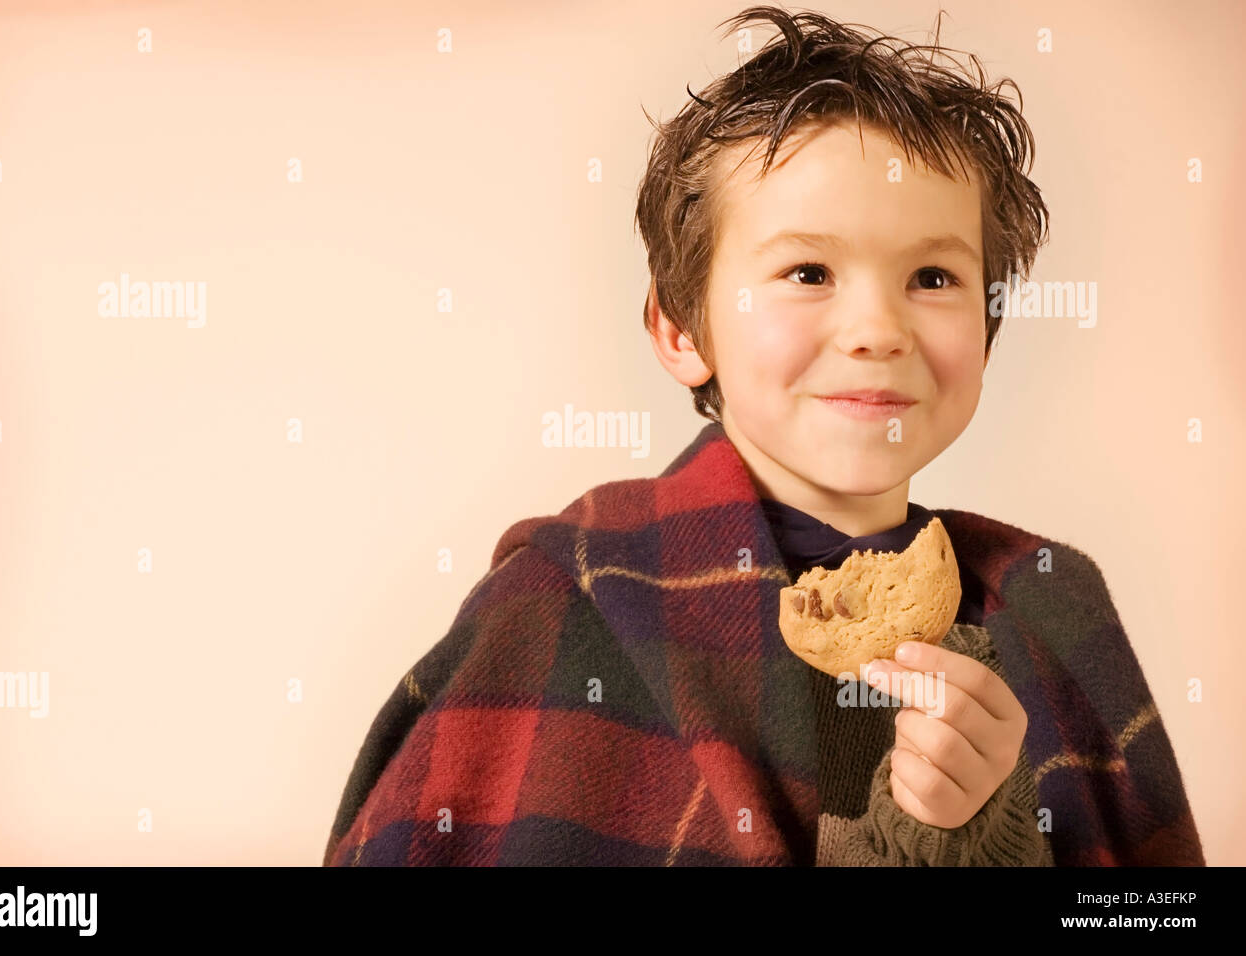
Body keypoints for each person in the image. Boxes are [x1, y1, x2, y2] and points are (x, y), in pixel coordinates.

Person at [322, 6, 1204, 866]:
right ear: (681, 331)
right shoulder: (566, 598)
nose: (878, 329)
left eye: (933, 276)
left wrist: (980, 837)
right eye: (808, 271)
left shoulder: (1053, 608)